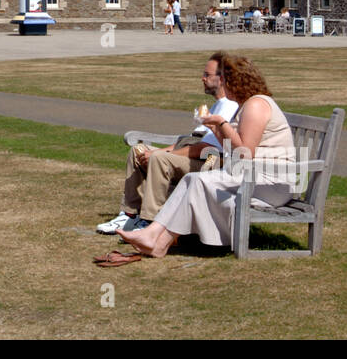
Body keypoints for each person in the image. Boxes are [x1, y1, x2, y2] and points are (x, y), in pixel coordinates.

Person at [106, 55, 297, 260]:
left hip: (272, 182)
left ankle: (154, 237)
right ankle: (156, 241)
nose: (222, 86)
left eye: (225, 80)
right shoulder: (247, 105)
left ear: (237, 82)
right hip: (254, 176)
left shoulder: (256, 105)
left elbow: (245, 153)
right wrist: (216, 128)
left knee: (197, 180)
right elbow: (234, 148)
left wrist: (222, 123)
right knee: (193, 180)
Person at [96, 52, 240, 234]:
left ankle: (149, 221)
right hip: (193, 153)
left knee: (159, 159)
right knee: (138, 150)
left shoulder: (230, 107)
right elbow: (190, 140)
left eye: (207, 75)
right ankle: (129, 215)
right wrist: (161, 151)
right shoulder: (217, 105)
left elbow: (207, 148)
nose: (202, 78)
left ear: (222, 79)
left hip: (209, 162)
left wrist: (162, 154)